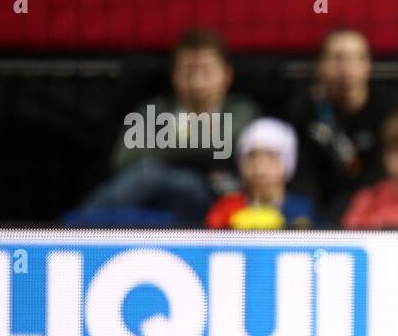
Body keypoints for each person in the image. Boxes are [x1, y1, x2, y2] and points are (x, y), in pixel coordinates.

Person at [75, 27, 260, 226]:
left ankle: (73, 226)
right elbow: (123, 160)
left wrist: (162, 150)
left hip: (218, 199)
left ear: (226, 75)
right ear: (174, 75)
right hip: (156, 208)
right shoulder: (154, 110)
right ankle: (76, 229)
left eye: (206, 71)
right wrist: (198, 152)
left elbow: (227, 147)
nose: (197, 82)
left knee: (150, 173)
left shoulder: (241, 110)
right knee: (147, 177)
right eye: (188, 71)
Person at [287, 27, 389, 224]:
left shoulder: (384, 114)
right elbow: (300, 177)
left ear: (367, 65)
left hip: (369, 214)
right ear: (320, 65)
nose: (346, 68)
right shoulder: (301, 112)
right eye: (337, 58)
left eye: (354, 58)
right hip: (314, 212)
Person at [205, 118, 316, 229]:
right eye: (252, 157)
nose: (260, 168)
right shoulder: (225, 209)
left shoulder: (304, 211)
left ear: (288, 163)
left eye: (270, 157)